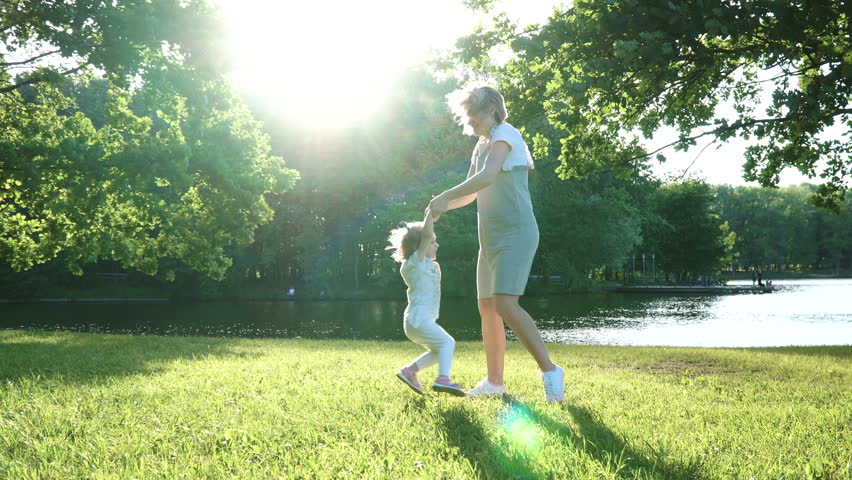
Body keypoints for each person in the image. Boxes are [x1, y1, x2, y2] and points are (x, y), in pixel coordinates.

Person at [427, 84, 565, 403]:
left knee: (504, 303)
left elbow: (489, 175)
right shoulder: (481, 145)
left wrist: (444, 195)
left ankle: (550, 370)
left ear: (490, 108)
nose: (469, 121)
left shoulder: (506, 134)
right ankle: (494, 382)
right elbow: (472, 191)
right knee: (487, 306)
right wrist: (439, 206)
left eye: (472, 113)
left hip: (516, 232)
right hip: (488, 238)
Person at [387, 209, 465, 397]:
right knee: (448, 343)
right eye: (432, 242)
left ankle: (409, 371)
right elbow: (427, 234)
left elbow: (427, 237)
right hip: (419, 320)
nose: (436, 244)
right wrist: (431, 212)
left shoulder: (425, 264)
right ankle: (443, 379)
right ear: (419, 245)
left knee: (440, 351)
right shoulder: (416, 262)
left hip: (418, 321)